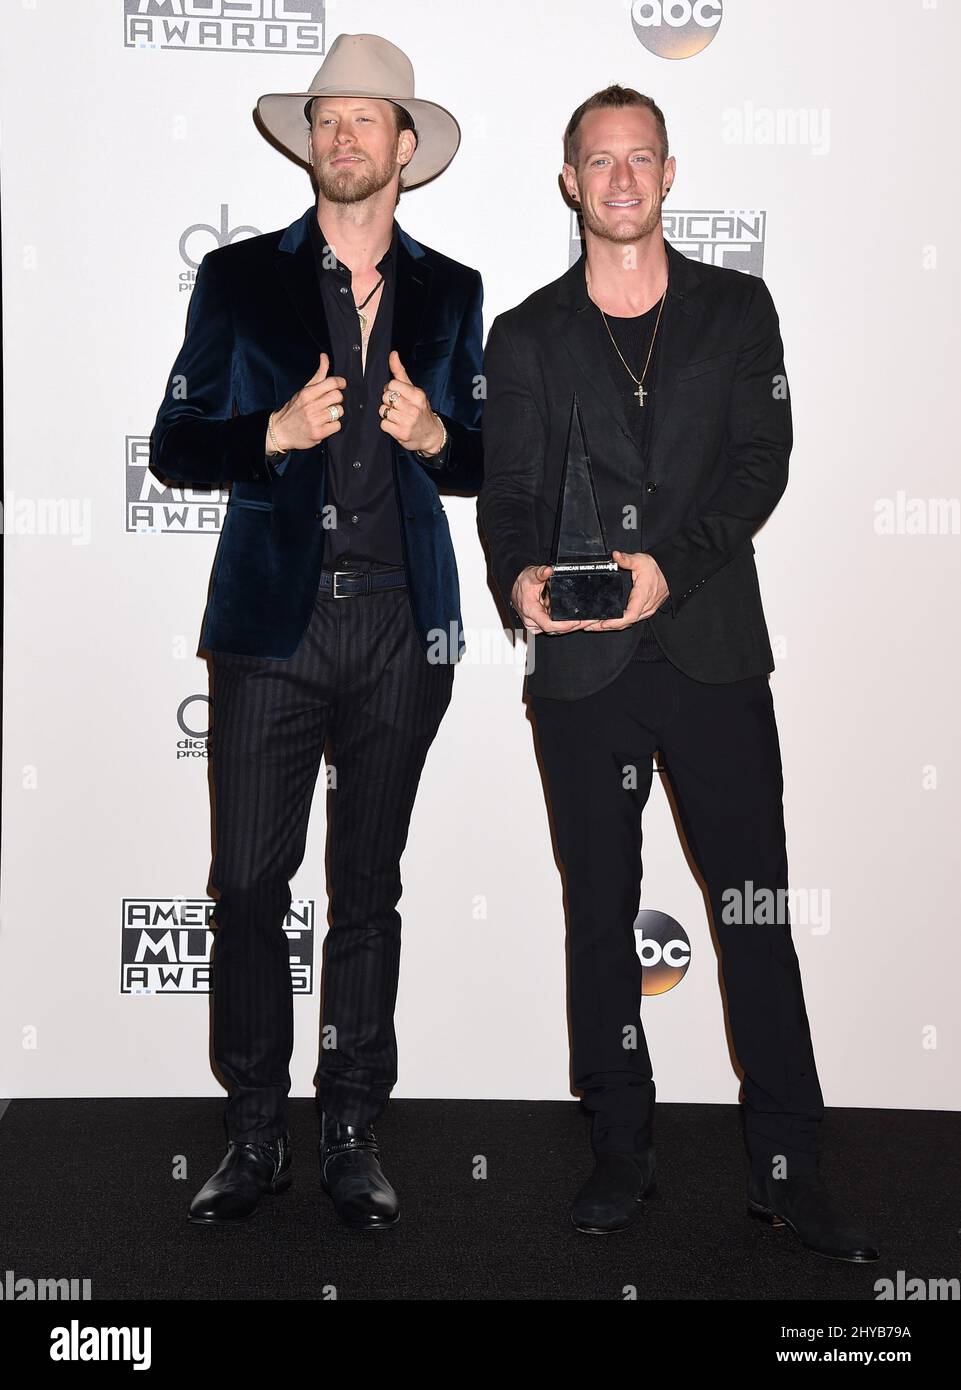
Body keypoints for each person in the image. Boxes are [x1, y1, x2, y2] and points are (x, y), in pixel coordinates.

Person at [478, 85, 878, 1260]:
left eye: (637, 157)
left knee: (752, 911)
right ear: (568, 182)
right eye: (596, 161)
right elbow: (505, 498)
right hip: (584, 674)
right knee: (598, 915)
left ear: (668, 173)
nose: (618, 178)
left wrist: (667, 570)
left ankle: (788, 1167)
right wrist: (517, 583)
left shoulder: (737, 311)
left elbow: (763, 463)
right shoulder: (527, 335)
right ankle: (618, 1147)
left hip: (708, 652)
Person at [150, 33, 483, 1230]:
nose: (342, 139)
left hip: (402, 630)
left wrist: (437, 433)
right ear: (310, 142)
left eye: (366, 121)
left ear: (406, 147)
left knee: (367, 887)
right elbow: (178, 443)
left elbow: (492, 458)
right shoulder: (239, 281)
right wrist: (273, 433)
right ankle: (252, 1129)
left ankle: (348, 1124)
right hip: (270, 634)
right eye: (325, 120)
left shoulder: (452, 292)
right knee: (246, 883)